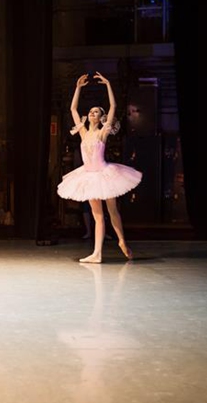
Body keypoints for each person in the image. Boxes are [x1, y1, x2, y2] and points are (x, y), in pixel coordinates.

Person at [57, 72, 142, 263]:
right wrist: (78, 88)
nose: (93, 113)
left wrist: (108, 84)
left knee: (112, 211)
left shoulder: (103, 133)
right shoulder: (83, 132)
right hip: (89, 175)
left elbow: (113, 106)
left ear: (100, 117)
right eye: (91, 111)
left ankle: (121, 241)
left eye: (96, 111)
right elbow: (73, 109)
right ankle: (97, 253)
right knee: (97, 216)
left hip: (104, 174)